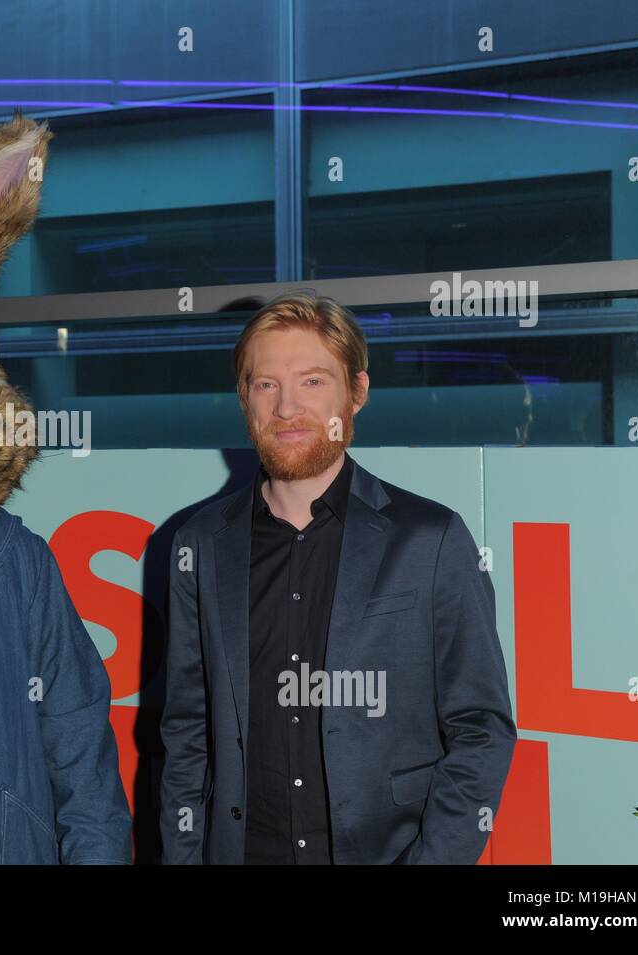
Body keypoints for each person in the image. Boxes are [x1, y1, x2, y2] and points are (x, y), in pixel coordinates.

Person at [159, 291, 515, 864]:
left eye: (313, 382)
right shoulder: (197, 545)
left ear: (358, 392)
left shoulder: (431, 538)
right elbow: (186, 730)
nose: (286, 407)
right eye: (266, 383)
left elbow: (480, 727)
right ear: (244, 398)